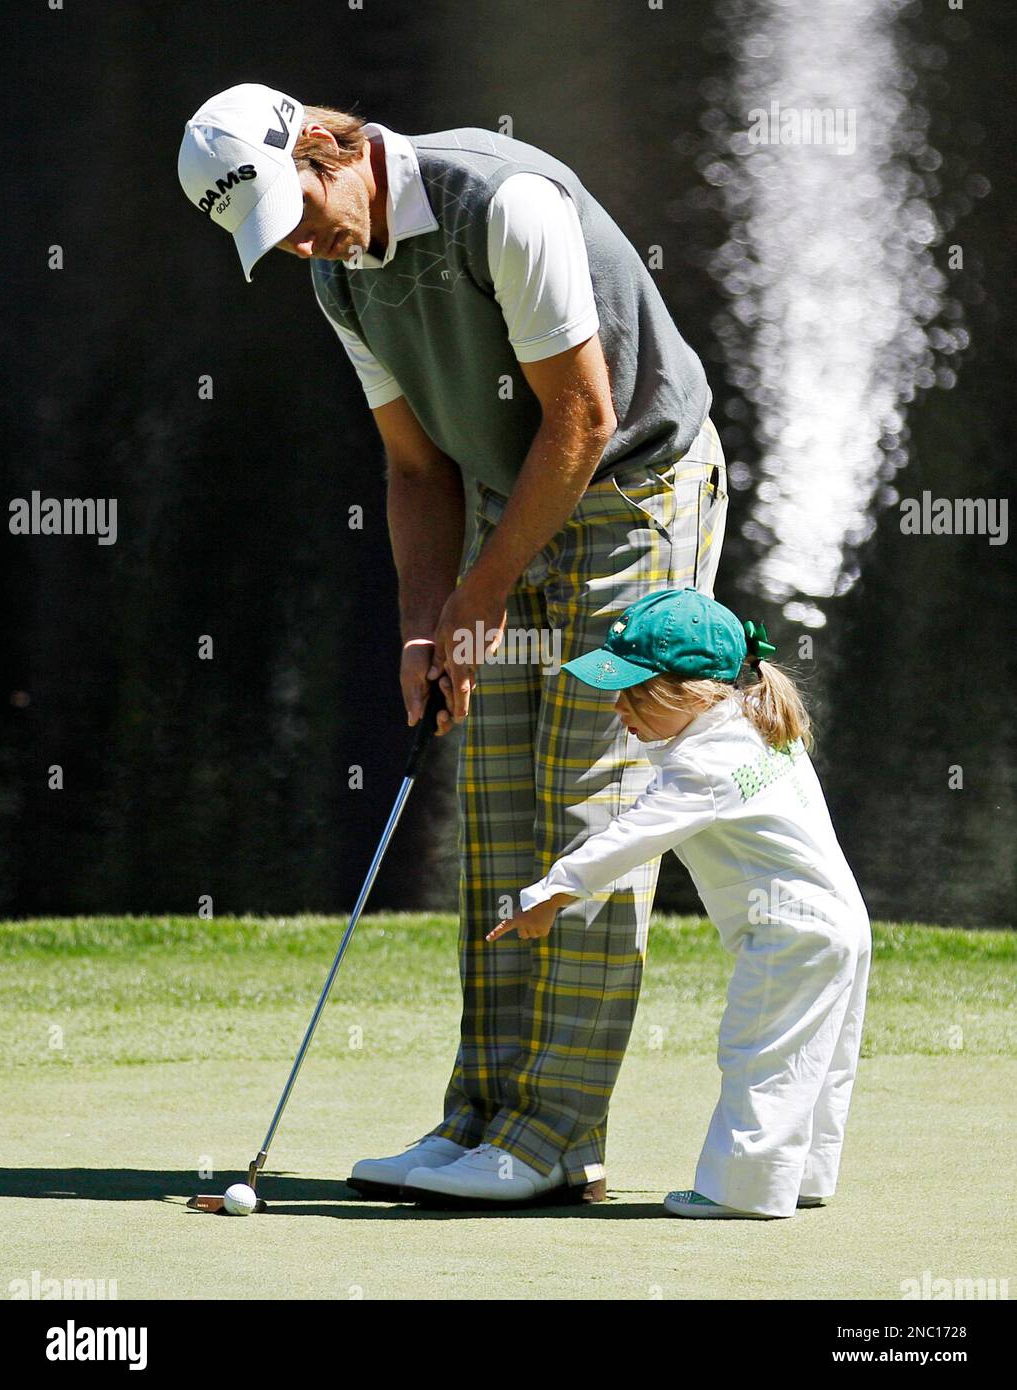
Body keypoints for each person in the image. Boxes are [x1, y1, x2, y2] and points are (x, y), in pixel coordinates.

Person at [178, 84, 728, 1205]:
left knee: (589, 805)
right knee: (495, 813)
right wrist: (424, 627)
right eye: (269, 231)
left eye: (298, 204)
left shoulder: (502, 202)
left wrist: (479, 592)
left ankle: (556, 1136)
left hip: (634, 493)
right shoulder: (336, 275)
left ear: (330, 145)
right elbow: (417, 469)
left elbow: (580, 418)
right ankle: (480, 1115)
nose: (295, 240)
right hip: (502, 503)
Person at [483, 588, 871, 1219]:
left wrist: (547, 895)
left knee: (758, 1050)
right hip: (840, 924)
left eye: (636, 695)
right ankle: (803, 1174)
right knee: (819, 1054)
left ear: (687, 694)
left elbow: (632, 834)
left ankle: (743, 1191)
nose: (619, 708)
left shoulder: (701, 765)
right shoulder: (757, 722)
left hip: (789, 933)